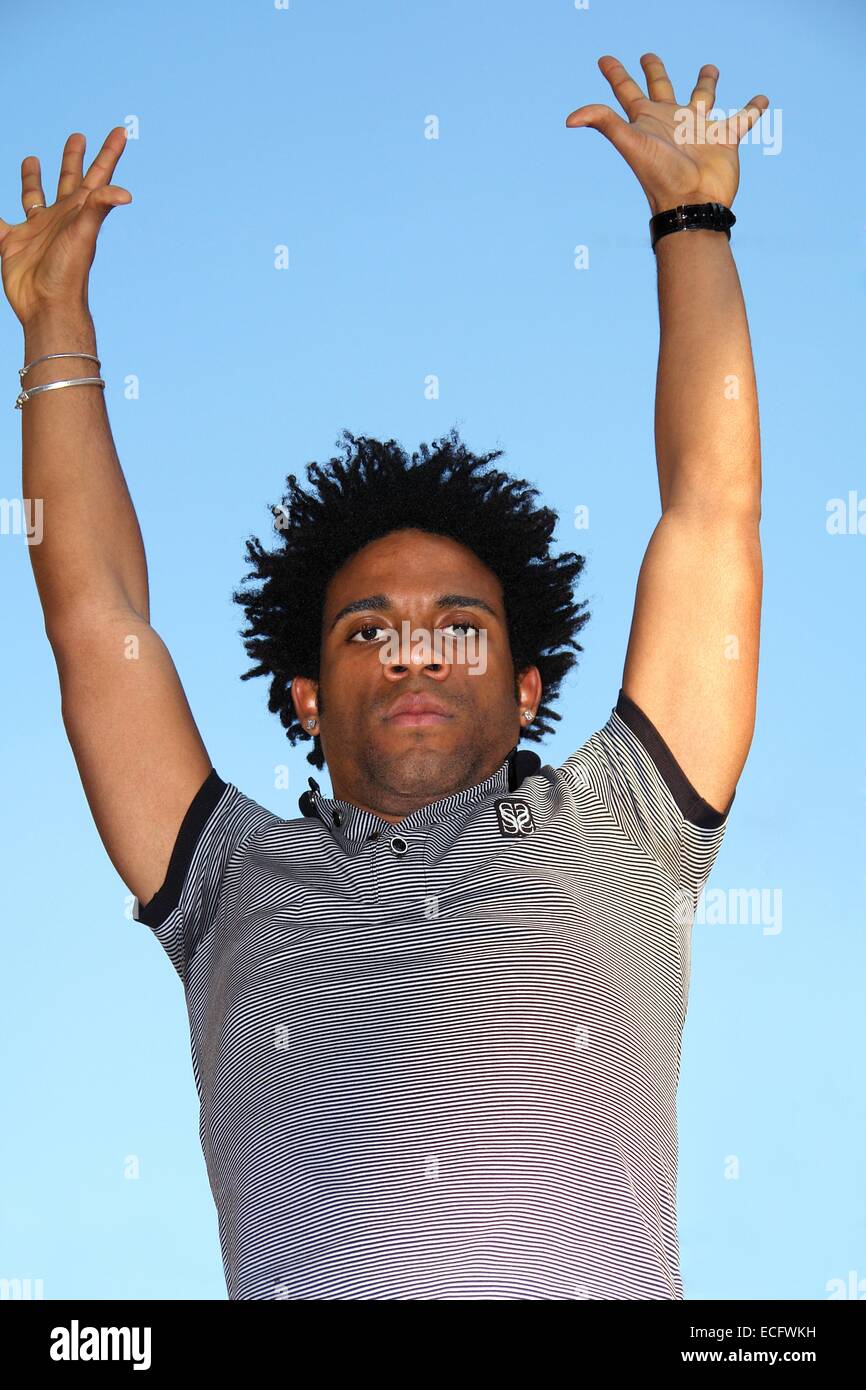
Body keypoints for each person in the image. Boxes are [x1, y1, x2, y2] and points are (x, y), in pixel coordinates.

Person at [3, 51, 764, 1299]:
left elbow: (709, 510)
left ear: (528, 688)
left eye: (459, 622)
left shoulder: (625, 820)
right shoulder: (224, 879)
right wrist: (54, 329)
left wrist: (691, 221)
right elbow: (96, 620)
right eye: (365, 630)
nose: (413, 646)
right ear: (303, 697)